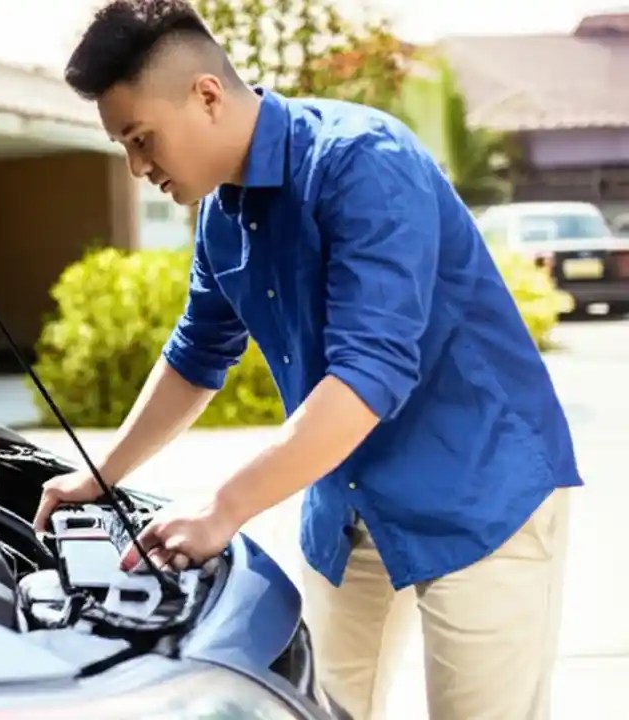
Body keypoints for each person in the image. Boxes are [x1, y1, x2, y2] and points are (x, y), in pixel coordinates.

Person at [33, 1, 582, 718]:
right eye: (125, 149)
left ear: (205, 96)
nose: (138, 168)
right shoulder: (221, 216)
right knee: (313, 709)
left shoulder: (363, 164)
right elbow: (198, 353)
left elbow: (368, 376)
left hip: (479, 489)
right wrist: (102, 476)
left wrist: (225, 508)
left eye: (142, 139)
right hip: (350, 499)